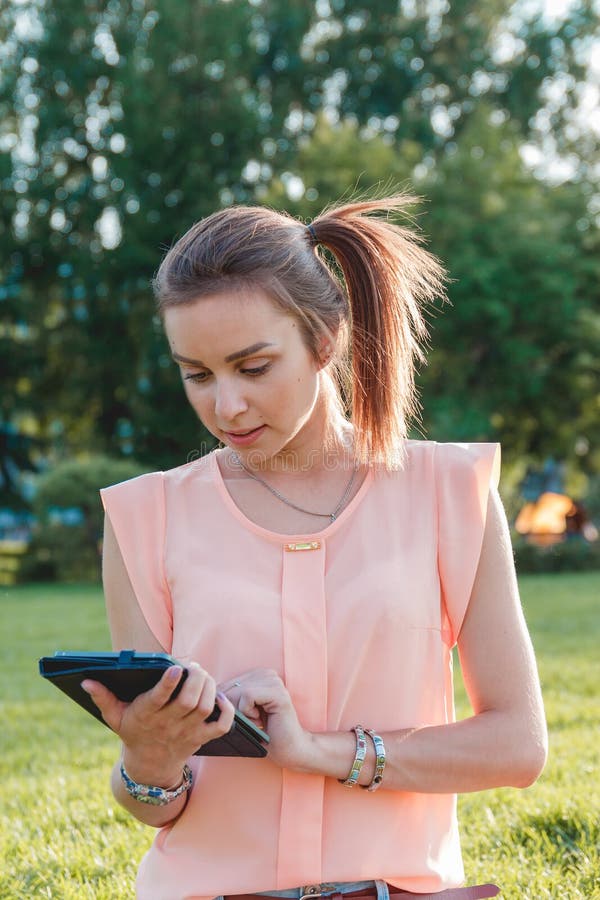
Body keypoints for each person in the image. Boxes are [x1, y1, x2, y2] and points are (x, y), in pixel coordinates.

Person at [82, 194, 548, 900]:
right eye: (198, 375)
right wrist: (149, 758)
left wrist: (320, 753)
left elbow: (517, 746)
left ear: (324, 338)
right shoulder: (143, 517)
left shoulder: (450, 491)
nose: (226, 407)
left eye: (254, 366)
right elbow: (157, 802)